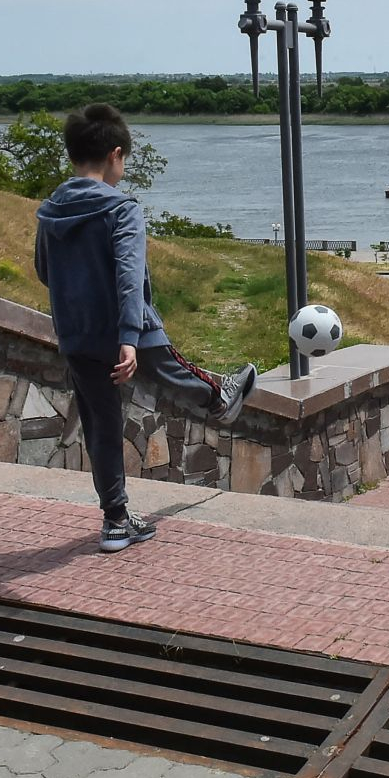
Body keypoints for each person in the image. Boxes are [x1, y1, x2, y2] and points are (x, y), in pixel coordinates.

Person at [35, 104, 259, 553]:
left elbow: (43, 270)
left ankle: (116, 522)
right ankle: (219, 395)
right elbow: (127, 273)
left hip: (76, 333)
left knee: (101, 423)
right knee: (169, 363)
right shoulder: (121, 209)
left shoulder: (51, 211)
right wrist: (128, 338)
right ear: (116, 154)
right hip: (125, 326)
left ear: (72, 153)